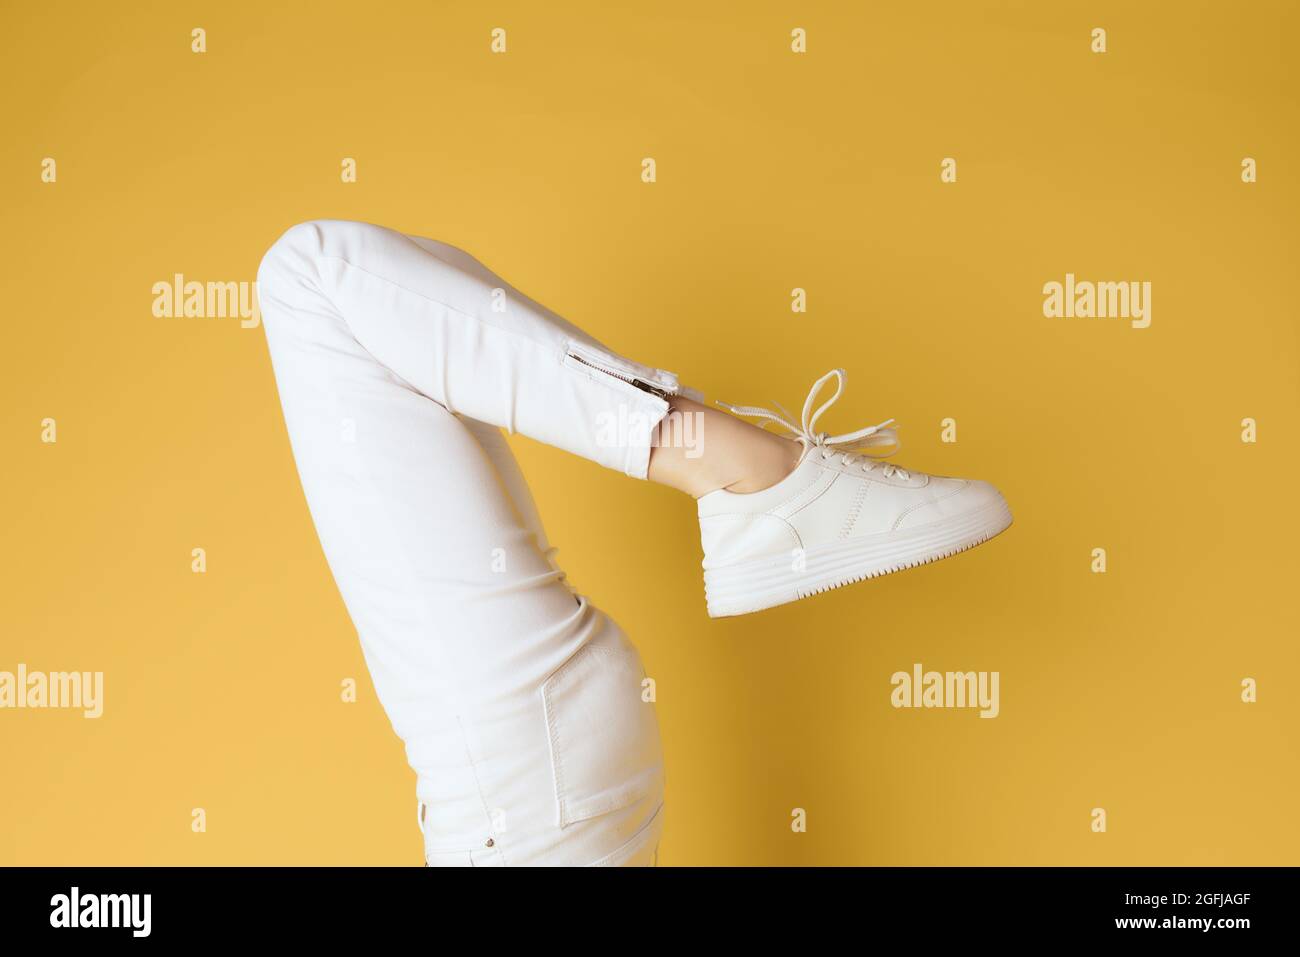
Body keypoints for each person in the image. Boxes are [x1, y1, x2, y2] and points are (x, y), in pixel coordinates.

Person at [256, 220, 1012, 867]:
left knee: (382, 289)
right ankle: (754, 479)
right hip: (528, 770)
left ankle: (752, 478)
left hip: (529, 770)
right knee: (315, 278)